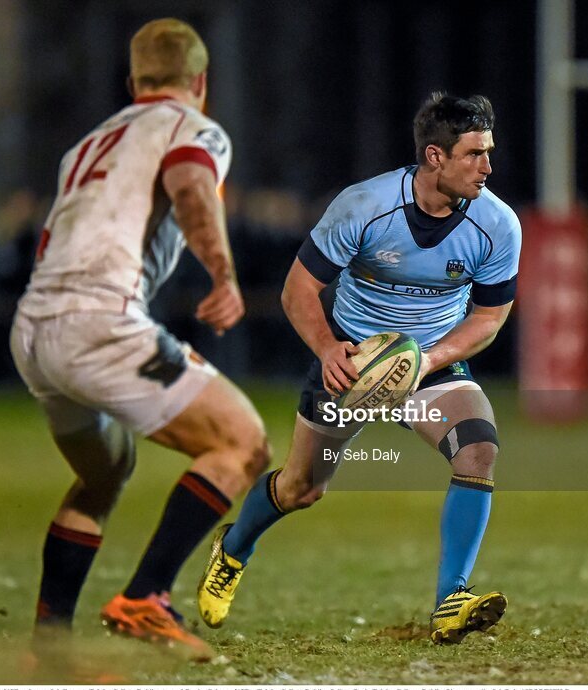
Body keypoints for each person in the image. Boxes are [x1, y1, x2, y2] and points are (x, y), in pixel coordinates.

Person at [197, 92, 521, 645]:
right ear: (434, 157)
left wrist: (428, 360)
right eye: (473, 155)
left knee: (478, 449)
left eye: (488, 152)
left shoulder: (497, 224)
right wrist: (328, 349)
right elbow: (299, 289)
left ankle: (451, 601)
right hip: (350, 361)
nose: (487, 167)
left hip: (432, 362)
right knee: (301, 488)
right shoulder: (364, 205)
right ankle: (233, 550)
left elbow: (490, 316)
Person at [9, 18, 270, 661]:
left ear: (133, 83)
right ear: (200, 83)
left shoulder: (88, 143)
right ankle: (145, 596)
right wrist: (225, 275)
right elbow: (188, 184)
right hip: (98, 322)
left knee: (105, 471)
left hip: (34, 330)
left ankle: (49, 647)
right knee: (242, 443)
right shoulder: (192, 127)